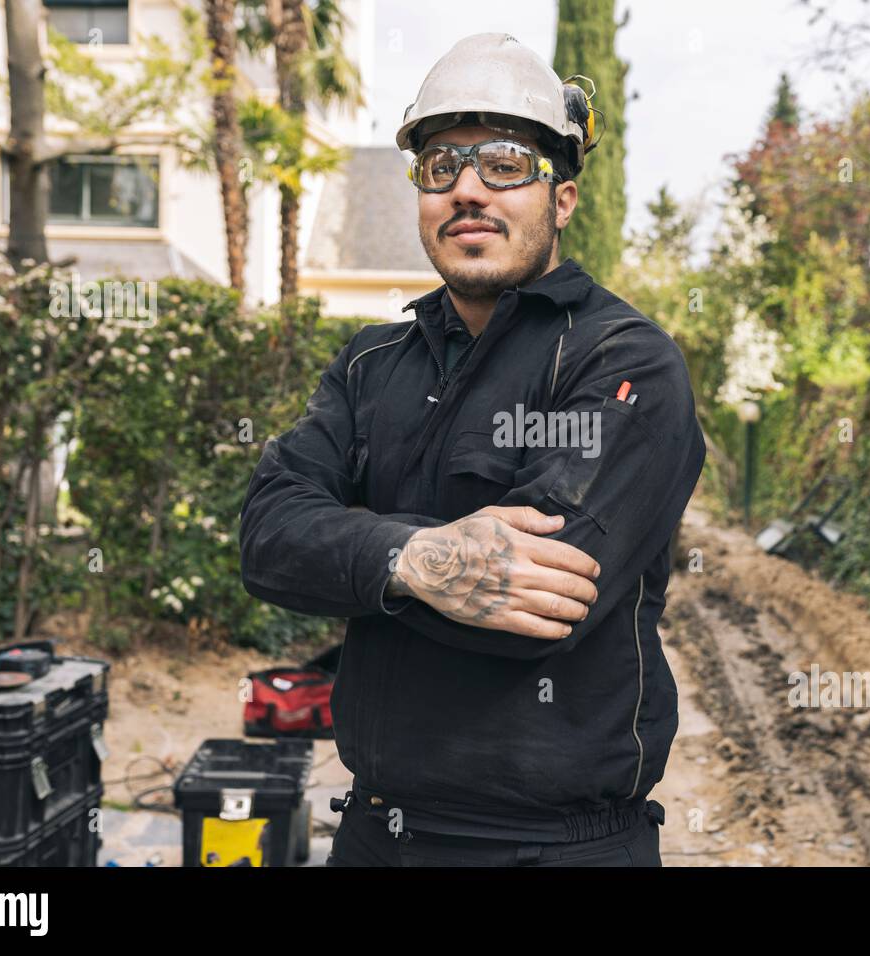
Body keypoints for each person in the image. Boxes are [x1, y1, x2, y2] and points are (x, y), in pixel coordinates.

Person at [239, 32, 706, 867]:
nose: (467, 191)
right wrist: (415, 556)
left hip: (557, 849)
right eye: (440, 166)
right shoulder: (370, 365)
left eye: (503, 164)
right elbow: (268, 537)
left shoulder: (625, 363)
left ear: (561, 198)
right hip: (375, 836)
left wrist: (350, 552)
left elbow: (537, 607)